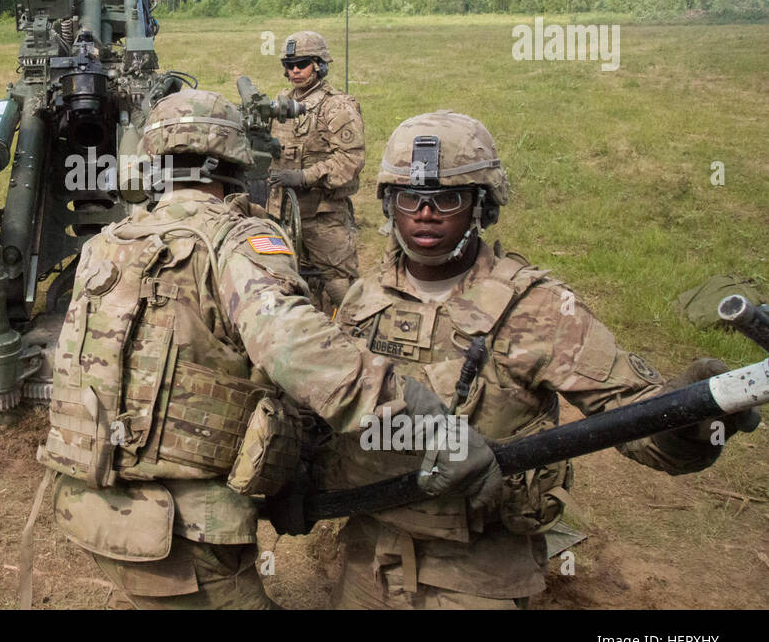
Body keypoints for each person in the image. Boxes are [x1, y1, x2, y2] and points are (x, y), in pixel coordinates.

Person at [37, 90, 502, 609]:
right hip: (176, 528)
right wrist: (426, 420)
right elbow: (295, 346)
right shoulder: (235, 240)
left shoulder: (107, 243)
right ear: (236, 163)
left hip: (86, 504)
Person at [318, 110, 761, 609]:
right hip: (368, 551)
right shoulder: (363, 299)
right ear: (389, 206)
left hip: (478, 572)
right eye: (409, 198)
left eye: (448, 198)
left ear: (481, 207)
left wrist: (692, 417)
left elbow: (637, 422)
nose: (425, 213)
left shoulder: (539, 309)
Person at [266, 31, 364, 314]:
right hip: (283, 216)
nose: (295, 71)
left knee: (340, 289)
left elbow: (350, 159)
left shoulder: (337, 106)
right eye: (289, 65)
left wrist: (305, 177)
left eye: (303, 63)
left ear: (319, 65)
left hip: (323, 215)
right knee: (286, 286)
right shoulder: (280, 103)